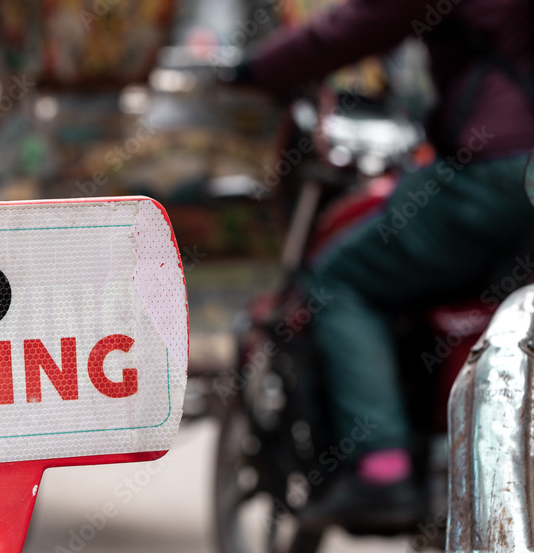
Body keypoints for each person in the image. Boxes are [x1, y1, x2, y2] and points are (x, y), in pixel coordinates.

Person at [229, 0, 534, 526]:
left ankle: (382, 466)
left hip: (502, 169)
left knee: (339, 279)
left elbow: (356, 26)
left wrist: (257, 69)